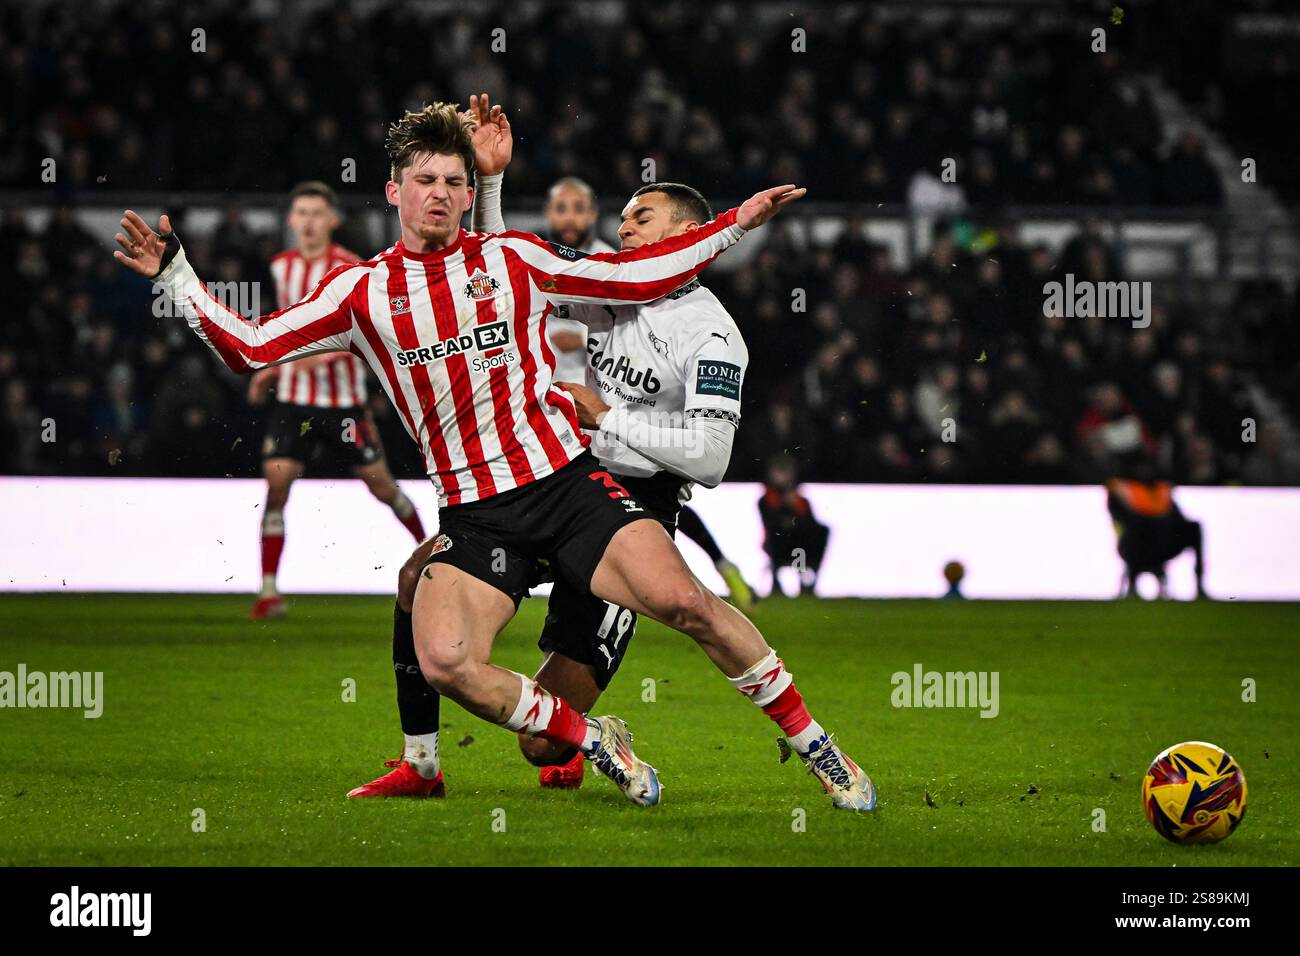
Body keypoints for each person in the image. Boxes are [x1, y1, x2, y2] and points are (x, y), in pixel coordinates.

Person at [113, 95, 873, 811]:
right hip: (478, 515)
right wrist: (176, 276)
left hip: (569, 488)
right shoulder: (359, 292)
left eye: (455, 181)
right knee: (447, 661)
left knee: (687, 603)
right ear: (394, 192)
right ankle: (580, 741)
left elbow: (639, 275)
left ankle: (818, 748)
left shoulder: (515, 260)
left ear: (468, 193)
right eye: (425, 181)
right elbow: (249, 347)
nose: (440, 194)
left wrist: (740, 220)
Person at [351, 111, 758, 798]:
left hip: (625, 497)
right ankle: (420, 765)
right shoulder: (580, 276)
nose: (625, 228)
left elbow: (709, 456)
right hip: (550, 469)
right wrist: (489, 182)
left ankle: (590, 732)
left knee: (540, 746)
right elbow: (486, 267)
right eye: (621, 218)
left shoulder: (675, 313)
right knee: (415, 578)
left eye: (641, 218)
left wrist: (608, 415)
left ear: (682, 235)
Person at [246, 181, 426, 620]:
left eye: (316, 213)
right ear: (291, 220)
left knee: (383, 488)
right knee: (276, 486)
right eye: (301, 213)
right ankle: (268, 591)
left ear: (333, 220)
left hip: (343, 403)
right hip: (294, 402)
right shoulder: (281, 267)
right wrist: (273, 368)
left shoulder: (351, 268)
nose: (308, 222)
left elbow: (359, 335)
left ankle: (428, 559)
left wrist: (296, 361)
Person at [1107, 463, 1208, 599]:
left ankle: (1200, 586)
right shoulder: (1123, 491)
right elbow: (1122, 519)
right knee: (1139, 526)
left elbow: (1178, 518)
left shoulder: (1161, 492)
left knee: (1193, 528)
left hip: (1162, 543)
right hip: (1133, 545)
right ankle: (1132, 584)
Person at [759, 455, 830, 596]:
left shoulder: (800, 501)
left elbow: (811, 524)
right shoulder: (766, 499)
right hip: (778, 544)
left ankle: (807, 582)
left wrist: (795, 507)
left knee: (816, 534)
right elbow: (770, 522)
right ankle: (777, 583)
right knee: (779, 536)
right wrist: (784, 506)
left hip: (799, 544)